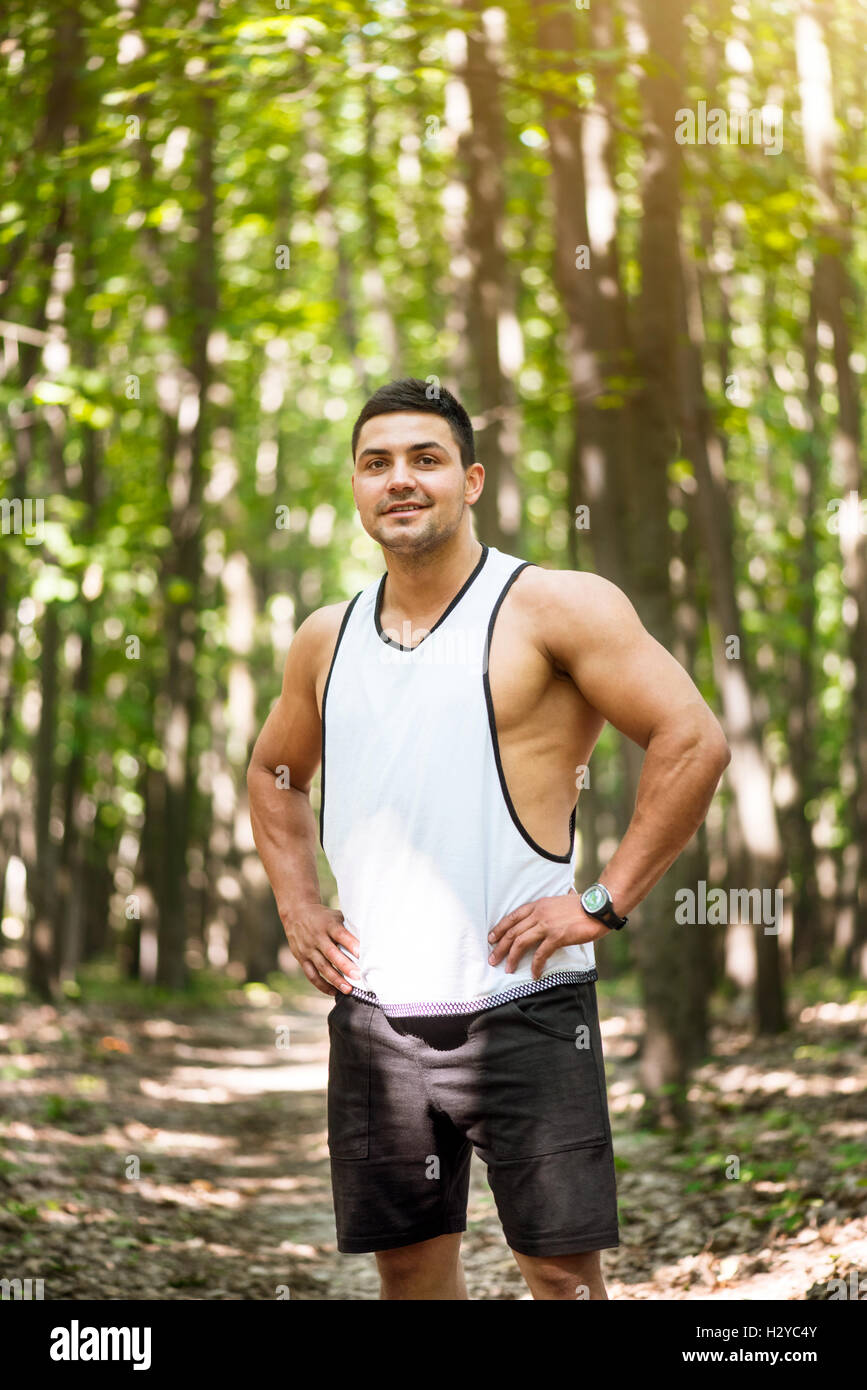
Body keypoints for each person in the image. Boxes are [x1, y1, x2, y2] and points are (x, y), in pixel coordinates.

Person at [247, 377, 730, 1300]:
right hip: (376, 1014)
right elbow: (274, 774)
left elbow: (692, 739)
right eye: (376, 463)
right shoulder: (325, 637)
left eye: (424, 459)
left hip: (526, 1002)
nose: (399, 479)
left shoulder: (554, 606)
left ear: (469, 481)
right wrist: (299, 906)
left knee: (559, 1274)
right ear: (355, 488)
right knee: (409, 1271)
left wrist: (603, 902)